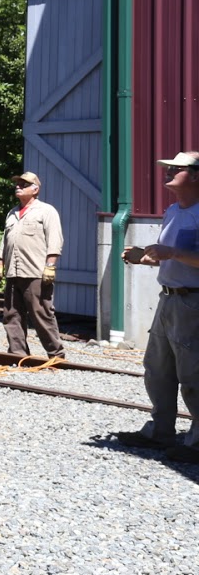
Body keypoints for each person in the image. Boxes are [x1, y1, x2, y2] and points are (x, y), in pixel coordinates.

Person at [117, 151, 199, 463]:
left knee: (193, 374)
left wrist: (172, 253)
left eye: (175, 169)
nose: (167, 172)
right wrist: (144, 256)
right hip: (169, 299)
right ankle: (160, 431)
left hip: (192, 301)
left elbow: (179, 254)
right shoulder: (173, 211)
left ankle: (196, 442)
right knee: (158, 369)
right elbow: (167, 255)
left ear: (194, 175)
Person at [0, 171, 65, 359]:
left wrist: (50, 266)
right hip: (13, 271)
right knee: (12, 315)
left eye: (24, 184)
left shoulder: (46, 211)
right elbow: (6, 240)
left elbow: (55, 240)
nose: (18, 186)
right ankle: (17, 354)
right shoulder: (12, 213)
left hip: (35, 272)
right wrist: (0, 263)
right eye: (17, 184)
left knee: (41, 314)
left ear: (35, 189)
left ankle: (56, 354)